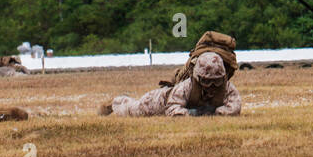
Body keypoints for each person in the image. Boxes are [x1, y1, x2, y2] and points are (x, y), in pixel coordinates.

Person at [101, 51, 241, 118]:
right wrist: (193, 114)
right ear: (198, 78)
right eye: (206, 81)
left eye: (216, 81)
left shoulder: (227, 87)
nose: (211, 86)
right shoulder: (187, 86)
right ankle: (115, 103)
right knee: (133, 110)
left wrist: (217, 113)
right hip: (156, 102)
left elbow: (235, 106)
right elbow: (172, 109)